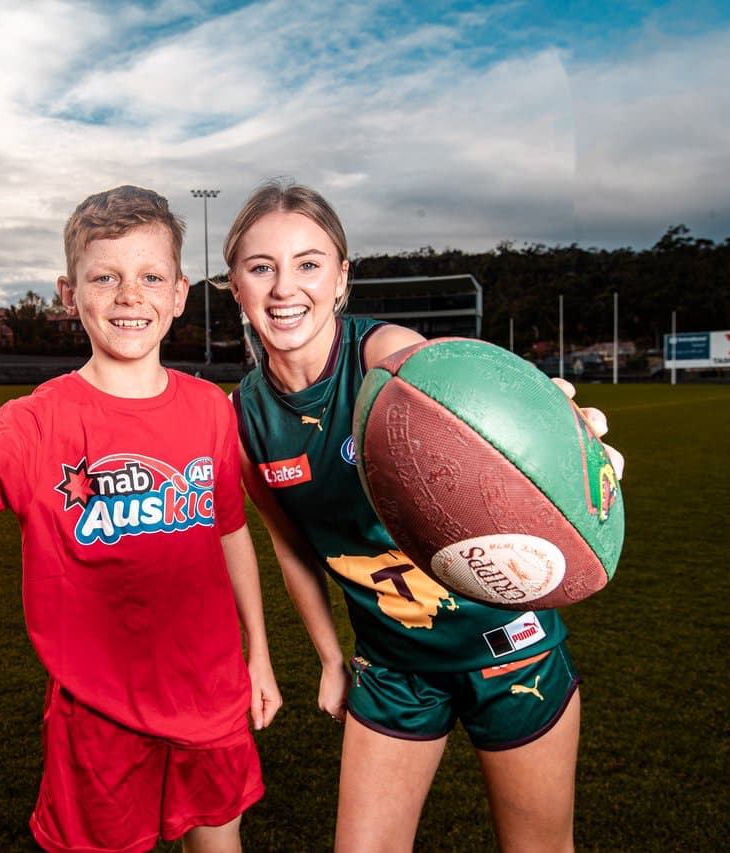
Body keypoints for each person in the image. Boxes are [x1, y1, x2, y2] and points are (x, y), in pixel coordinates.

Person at [221, 180, 622, 852]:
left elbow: (440, 379)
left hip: (507, 648)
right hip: (393, 665)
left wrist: (542, 417)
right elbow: (290, 548)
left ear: (342, 278)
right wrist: (328, 658)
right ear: (235, 283)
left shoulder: (384, 356)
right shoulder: (245, 418)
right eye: (262, 266)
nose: (285, 287)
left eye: (310, 263)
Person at [0, 185, 281, 852]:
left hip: (213, 691)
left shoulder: (210, 410)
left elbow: (230, 532)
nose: (129, 296)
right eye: (104, 276)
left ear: (179, 293)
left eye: (150, 276)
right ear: (68, 293)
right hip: (97, 711)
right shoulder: (36, 420)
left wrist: (260, 654)